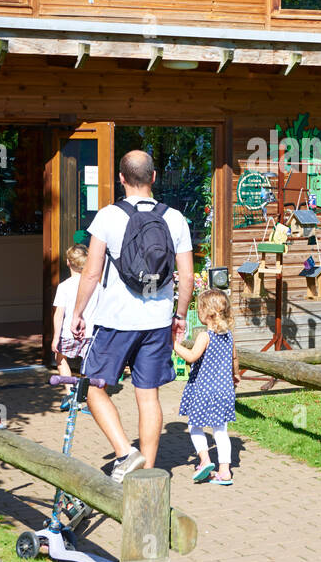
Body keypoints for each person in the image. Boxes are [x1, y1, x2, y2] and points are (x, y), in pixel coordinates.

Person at [70, 149, 193, 482]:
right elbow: (187, 275)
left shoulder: (108, 217)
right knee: (148, 394)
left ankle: (126, 452)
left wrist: (77, 313)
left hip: (115, 322)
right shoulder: (175, 218)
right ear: (153, 177)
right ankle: (147, 476)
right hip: (156, 321)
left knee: (92, 386)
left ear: (121, 179)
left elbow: (91, 273)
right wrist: (179, 315)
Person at [173, 288, 239, 485]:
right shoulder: (228, 335)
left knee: (195, 426)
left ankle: (205, 460)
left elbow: (192, 357)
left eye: (199, 308)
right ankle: (225, 471)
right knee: (221, 430)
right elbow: (235, 358)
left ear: (207, 313)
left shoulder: (205, 336)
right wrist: (235, 374)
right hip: (224, 390)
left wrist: (174, 346)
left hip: (204, 390)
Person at [50, 243, 98, 411]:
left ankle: (70, 394)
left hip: (68, 334)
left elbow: (59, 314)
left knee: (61, 359)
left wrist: (55, 337)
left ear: (68, 263)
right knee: (87, 365)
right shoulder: (96, 286)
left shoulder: (64, 286)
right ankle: (84, 397)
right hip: (90, 333)